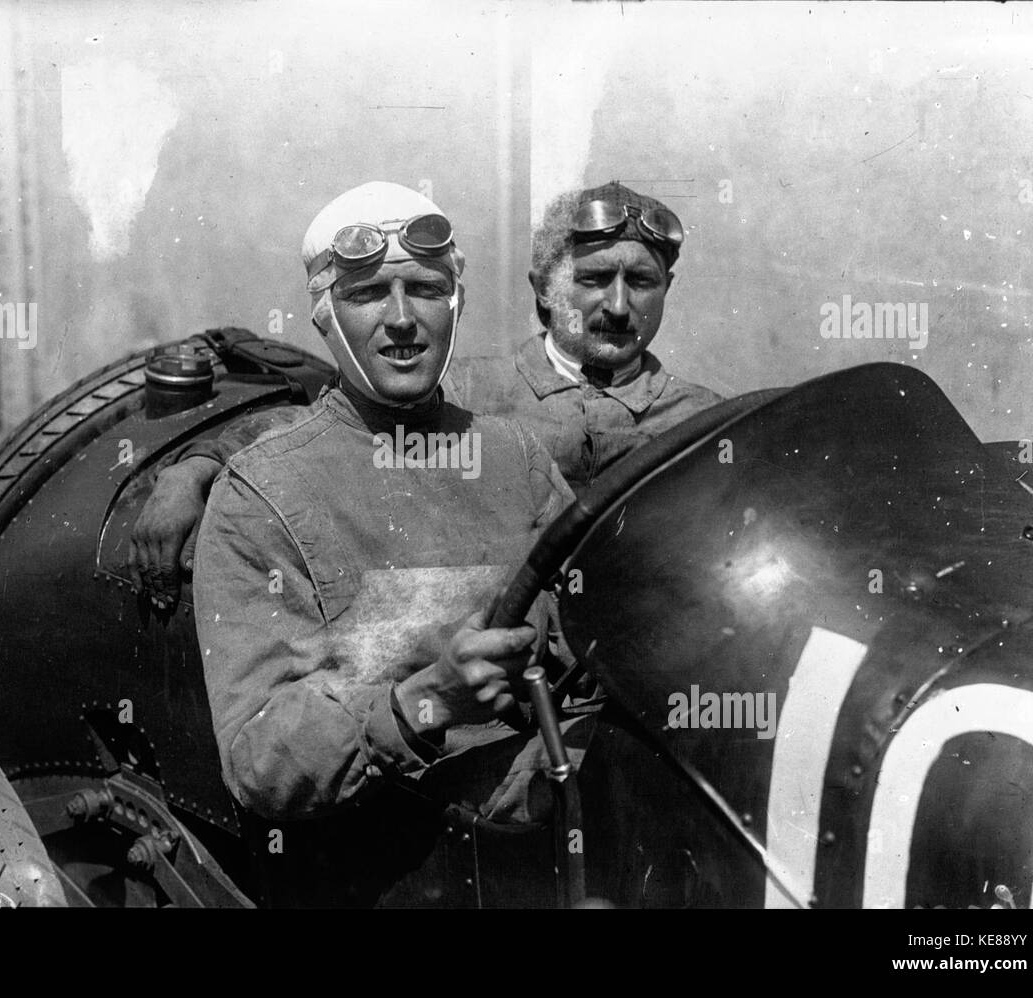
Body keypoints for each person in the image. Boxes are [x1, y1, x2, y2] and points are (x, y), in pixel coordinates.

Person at [195, 181, 581, 905]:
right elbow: (260, 759)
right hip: (375, 869)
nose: (403, 320)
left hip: (534, 840)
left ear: (454, 303)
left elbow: (596, 652)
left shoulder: (515, 457)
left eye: (427, 290)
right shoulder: (261, 494)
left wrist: (559, 738)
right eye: (371, 292)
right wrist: (425, 703)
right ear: (326, 313)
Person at [130, 181, 721, 605]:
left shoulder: (707, 422)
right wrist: (192, 470)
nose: (618, 307)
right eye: (592, 280)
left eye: (641, 282)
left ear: (666, 288)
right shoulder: (461, 390)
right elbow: (313, 427)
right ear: (544, 290)